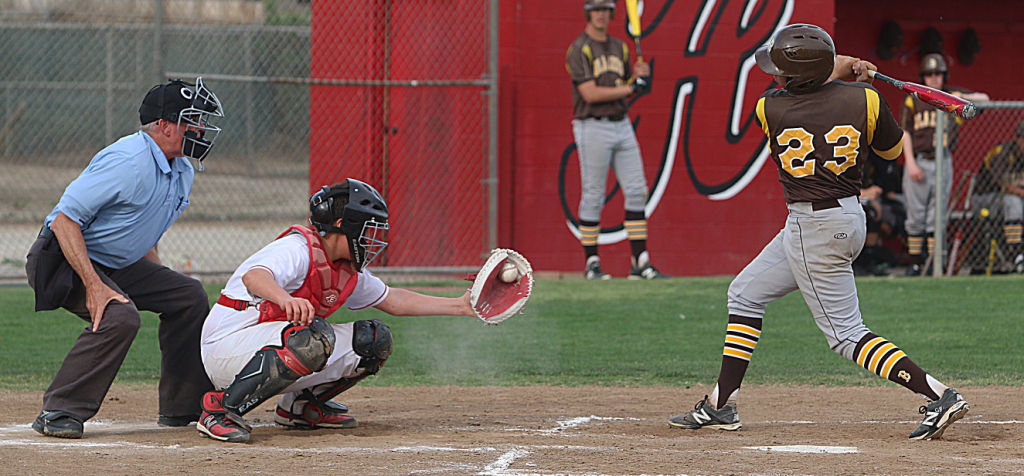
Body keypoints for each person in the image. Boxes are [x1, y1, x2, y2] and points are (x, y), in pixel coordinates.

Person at [668, 24, 970, 441]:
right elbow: (893, 151)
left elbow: (809, 87)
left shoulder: (769, 108)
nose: (775, 76)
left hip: (815, 230)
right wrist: (852, 76)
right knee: (745, 293)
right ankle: (722, 404)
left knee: (847, 336)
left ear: (797, 75)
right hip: (843, 218)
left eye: (782, 70)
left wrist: (840, 68)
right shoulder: (866, 98)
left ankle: (939, 394)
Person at [196, 179, 477, 443]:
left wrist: (461, 306)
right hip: (225, 347)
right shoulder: (297, 249)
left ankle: (300, 406)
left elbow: (394, 300)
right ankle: (220, 409)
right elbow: (254, 277)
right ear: (344, 225)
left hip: (266, 347)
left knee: (373, 340)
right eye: (367, 229)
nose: (371, 238)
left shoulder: (342, 268)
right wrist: (285, 299)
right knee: (311, 338)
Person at [24, 78, 224, 438]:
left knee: (188, 296)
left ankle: (183, 408)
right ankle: (59, 410)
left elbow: (143, 229)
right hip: (63, 258)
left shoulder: (182, 169)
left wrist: (160, 282)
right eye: (190, 120)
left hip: (116, 262)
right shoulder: (128, 161)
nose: (199, 129)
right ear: (163, 126)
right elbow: (65, 221)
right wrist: (94, 286)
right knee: (119, 315)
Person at [566, 0, 669, 280]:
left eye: (605, 9)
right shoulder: (579, 48)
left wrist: (639, 78)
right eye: (596, 9)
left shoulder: (620, 47)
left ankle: (640, 262)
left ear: (611, 13)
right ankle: (592, 264)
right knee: (593, 194)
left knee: (637, 190)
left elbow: (625, 87)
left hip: (621, 123)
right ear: (588, 12)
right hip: (592, 125)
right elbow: (590, 93)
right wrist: (629, 87)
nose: (600, 14)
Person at [900, 53, 990, 275]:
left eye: (938, 73)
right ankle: (915, 264)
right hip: (919, 160)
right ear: (923, 76)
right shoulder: (914, 97)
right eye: (929, 74)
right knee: (915, 216)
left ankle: (932, 266)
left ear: (944, 76)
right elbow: (906, 132)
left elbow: (986, 99)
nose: (933, 78)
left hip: (943, 161)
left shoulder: (951, 96)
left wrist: (959, 96)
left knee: (936, 217)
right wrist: (910, 162)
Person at [972, 120, 1024, 272]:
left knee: (1015, 202)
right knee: (1012, 201)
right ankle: (1016, 256)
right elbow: (1004, 186)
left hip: (1015, 202)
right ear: (1018, 139)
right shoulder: (1003, 152)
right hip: (986, 200)